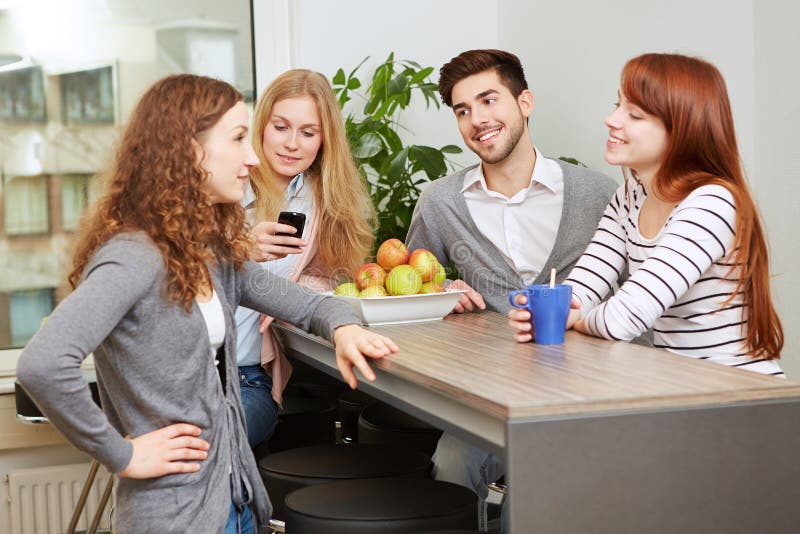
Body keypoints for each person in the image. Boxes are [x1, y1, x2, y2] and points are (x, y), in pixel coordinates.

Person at [16, 74, 398, 534]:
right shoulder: (134, 255)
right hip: (176, 516)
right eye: (239, 138)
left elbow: (306, 304)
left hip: (233, 500)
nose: (253, 156)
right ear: (190, 151)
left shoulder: (209, 253)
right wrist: (124, 453)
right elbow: (42, 363)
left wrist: (345, 328)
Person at [405, 49, 617, 531]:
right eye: (462, 110)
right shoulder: (439, 202)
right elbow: (414, 293)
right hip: (489, 397)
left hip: (581, 395)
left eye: (488, 100)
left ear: (525, 102)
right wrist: (443, 295)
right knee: (452, 464)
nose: (477, 119)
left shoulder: (595, 193)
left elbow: (628, 300)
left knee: (540, 491)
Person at [509, 53, 784, 377]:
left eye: (635, 115)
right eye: (617, 105)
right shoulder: (629, 196)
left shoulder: (712, 202)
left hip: (739, 396)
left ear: (682, 130)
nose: (612, 120)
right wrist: (546, 312)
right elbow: (581, 290)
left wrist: (573, 318)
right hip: (681, 390)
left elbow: (624, 319)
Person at [234, 69, 375, 449]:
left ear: (324, 139)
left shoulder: (324, 201)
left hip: (247, 377)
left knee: (211, 445)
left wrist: (293, 290)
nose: (292, 144)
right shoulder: (226, 186)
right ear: (261, 125)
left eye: (308, 133)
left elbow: (337, 281)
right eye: (281, 127)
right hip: (189, 373)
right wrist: (238, 247)